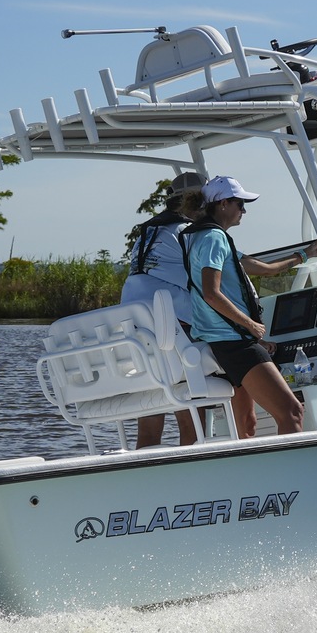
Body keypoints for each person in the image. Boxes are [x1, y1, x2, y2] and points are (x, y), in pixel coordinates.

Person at [184, 175, 317, 438]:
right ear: (223, 203)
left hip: (224, 343)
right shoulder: (214, 238)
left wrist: (306, 253)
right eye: (240, 204)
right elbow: (211, 294)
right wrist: (251, 326)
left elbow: (264, 269)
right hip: (235, 343)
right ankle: (293, 478)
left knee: (246, 426)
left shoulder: (206, 237)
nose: (244, 211)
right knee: (292, 412)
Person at [120, 171, 204, 447]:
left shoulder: (147, 234)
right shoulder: (187, 234)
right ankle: (196, 472)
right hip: (173, 339)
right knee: (192, 409)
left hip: (139, 341)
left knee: (148, 428)